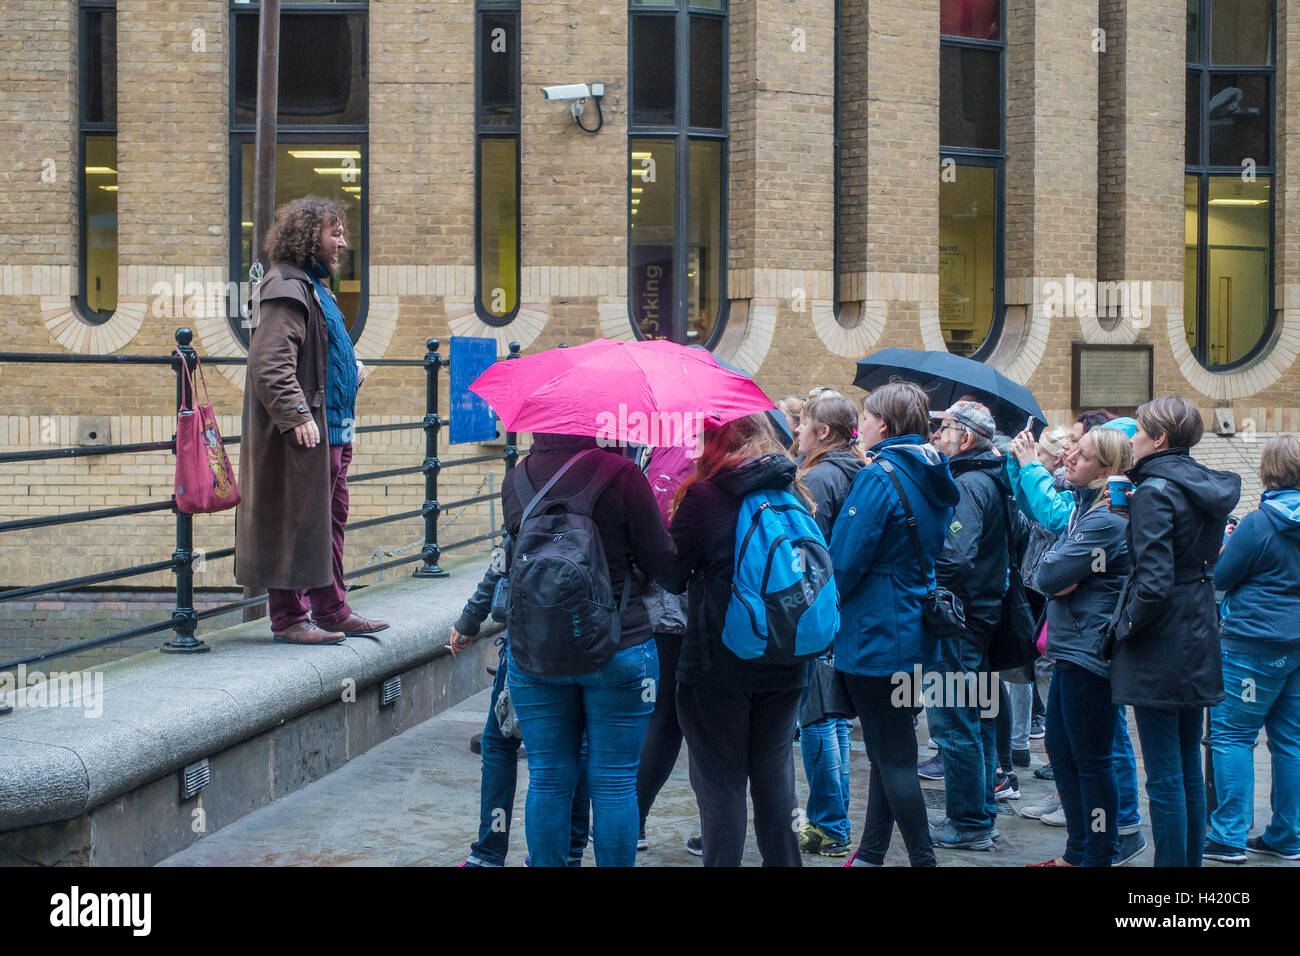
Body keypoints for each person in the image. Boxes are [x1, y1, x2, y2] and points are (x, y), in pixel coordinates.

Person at [503, 432, 675, 867]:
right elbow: (664, 565)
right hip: (619, 645)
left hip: (537, 650)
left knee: (547, 778)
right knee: (615, 782)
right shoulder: (622, 474)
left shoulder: (517, 479)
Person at [235, 197, 388, 645]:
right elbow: (268, 362)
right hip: (310, 432)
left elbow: (314, 353)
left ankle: (331, 609)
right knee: (297, 520)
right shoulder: (286, 287)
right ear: (308, 238)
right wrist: (296, 413)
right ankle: (288, 619)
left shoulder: (313, 287)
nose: (342, 243)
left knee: (328, 521)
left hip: (334, 427)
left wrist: (348, 369)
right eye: (333, 233)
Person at [660, 414, 810, 866]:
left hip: (717, 660)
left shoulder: (704, 495)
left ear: (715, 439)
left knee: (721, 783)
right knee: (774, 776)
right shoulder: (793, 487)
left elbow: (670, 576)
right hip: (787, 654)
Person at [831, 382, 959, 866]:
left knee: (895, 756)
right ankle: (871, 852)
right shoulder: (931, 470)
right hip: (910, 624)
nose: (858, 426)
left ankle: (923, 860)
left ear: (883, 425)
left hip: (874, 630)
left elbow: (845, 560)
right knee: (892, 749)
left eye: (864, 417)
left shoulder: (880, 475)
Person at [1111, 396, 1241, 867]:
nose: (1132, 439)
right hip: (1199, 626)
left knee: (1165, 773)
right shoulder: (1198, 486)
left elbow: (1153, 581)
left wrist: (1121, 629)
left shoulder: (1155, 491)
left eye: (1139, 430)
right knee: (1185, 766)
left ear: (1159, 438)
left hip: (1162, 639)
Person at [1027, 427, 1134, 867]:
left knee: (1090, 760)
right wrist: (1059, 572)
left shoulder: (1106, 520)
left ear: (1106, 470)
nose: (1069, 457)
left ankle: (1096, 856)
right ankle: (1077, 853)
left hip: (1090, 651)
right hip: (1072, 646)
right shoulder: (1085, 510)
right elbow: (1047, 573)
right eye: (1073, 450)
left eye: (1082, 455)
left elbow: (1047, 575)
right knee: (1063, 750)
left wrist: (1059, 573)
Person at [450, 540, 592, 867]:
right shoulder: (609, 490)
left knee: (499, 742)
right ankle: (569, 851)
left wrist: (470, 618)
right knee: (578, 744)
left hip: (530, 630)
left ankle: (488, 853)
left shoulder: (527, 488)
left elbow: (503, 560)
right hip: (589, 629)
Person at [1205, 433, 1300, 863]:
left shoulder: (1258, 523)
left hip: (1253, 644)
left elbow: (1222, 577)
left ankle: (1227, 836)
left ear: (1269, 470)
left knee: (1233, 736)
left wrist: (1226, 544)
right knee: (1292, 742)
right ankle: (1288, 836)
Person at [926, 400, 1009, 850]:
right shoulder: (981, 477)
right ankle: (980, 816)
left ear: (968, 438)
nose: (938, 434)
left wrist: (926, 580)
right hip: (976, 617)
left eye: (946, 428)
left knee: (955, 724)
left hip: (959, 622)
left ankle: (968, 823)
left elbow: (957, 556)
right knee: (974, 720)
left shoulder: (971, 484)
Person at [793, 392, 866, 857]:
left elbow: (808, 552)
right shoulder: (861, 469)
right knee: (833, 717)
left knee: (817, 717)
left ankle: (831, 826)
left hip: (821, 610)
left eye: (802, 423)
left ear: (823, 432)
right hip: (848, 610)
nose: (796, 430)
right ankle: (832, 820)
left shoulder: (819, 477)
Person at [635, 444, 695, 851]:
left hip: (672, 604)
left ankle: (632, 819)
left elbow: (659, 529)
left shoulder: (675, 451)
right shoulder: (661, 450)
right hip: (681, 605)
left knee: (668, 714)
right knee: (674, 714)